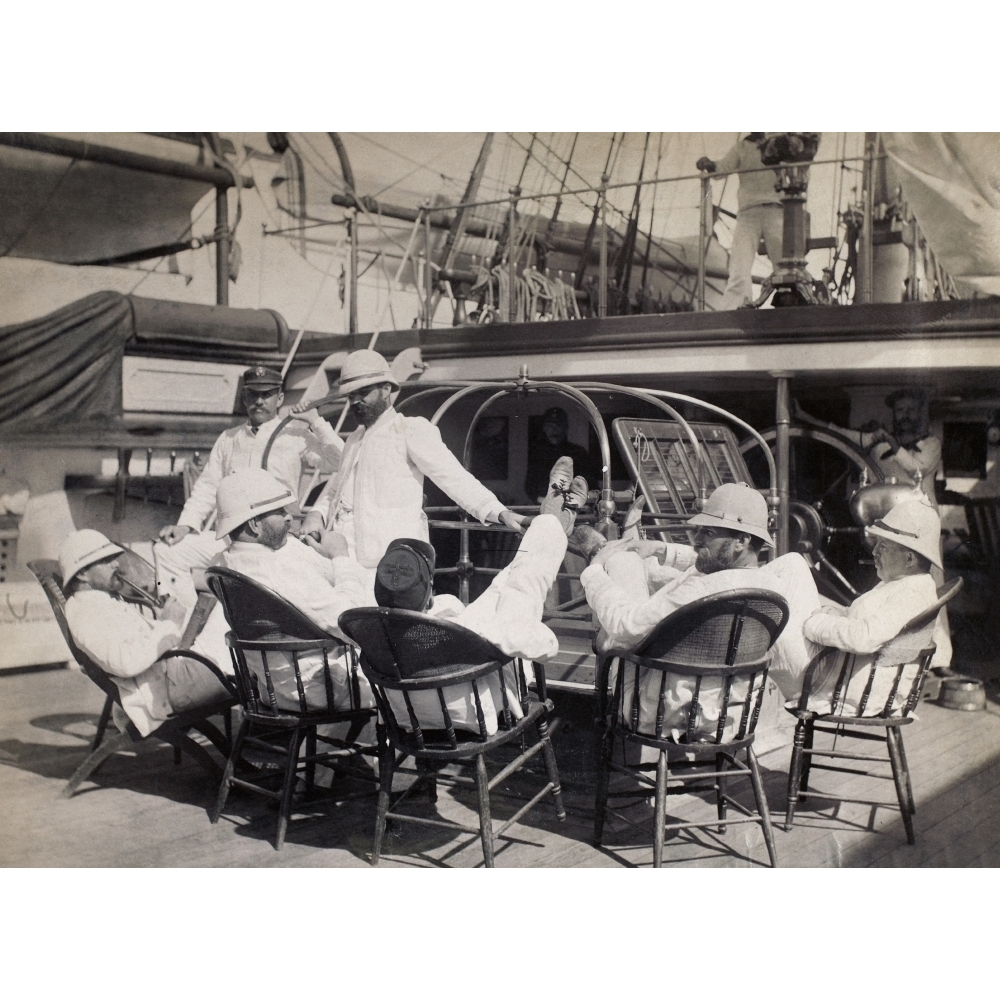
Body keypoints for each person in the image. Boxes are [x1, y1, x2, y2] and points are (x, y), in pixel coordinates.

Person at [576, 482, 821, 735]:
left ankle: (607, 553)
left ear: (741, 541)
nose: (696, 538)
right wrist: (662, 549)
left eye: (708, 532)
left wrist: (593, 571)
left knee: (623, 568)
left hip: (657, 713)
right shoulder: (775, 591)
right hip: (732, 717)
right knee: (674, 575)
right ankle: (634, 555)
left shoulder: (698, 590)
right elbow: (716, 567)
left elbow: (625, 625)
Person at [368, 461, 586, 736]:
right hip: (474, 709)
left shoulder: (369, 629)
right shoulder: (456, 629)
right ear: (428, 597)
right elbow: (543, 647)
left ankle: (554, 521)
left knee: (505, 584)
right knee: (522, 586)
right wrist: (541, 634)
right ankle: (557, 520)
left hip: (407, 717)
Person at [301, 349, 524, 581]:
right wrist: (317, 514)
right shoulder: (354, 440)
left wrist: (499, 512)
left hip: (391, 567)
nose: (356, 401)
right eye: (350, 396)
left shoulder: (409, 430)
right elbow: (339, 490)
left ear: (386, 389)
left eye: (363, 393)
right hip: (346, 562)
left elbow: (453, 478)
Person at [155, 364, 343, 608]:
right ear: (244, 398)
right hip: (232, 538)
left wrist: (315, 421)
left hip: (274, 540)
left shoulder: (296, 435)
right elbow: (208, 486)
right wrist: (186, 525)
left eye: (267, 395)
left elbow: (340, 460)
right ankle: (184, 622)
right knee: (167, 551)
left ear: (280, 398)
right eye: (253, 395)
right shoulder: (229, 438)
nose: (259, 401)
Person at [793, 386, 951, 668]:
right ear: (894, 414)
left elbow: (917, 469)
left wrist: (891, 442)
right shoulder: (877, 443)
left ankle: (938, 656)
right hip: (886, 527)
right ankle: (886, 649)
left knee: (931, 589)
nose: (905, 415)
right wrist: (808, 419)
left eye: (911, 410)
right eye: (900, 410)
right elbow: (843, 436)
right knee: (885, 590)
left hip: (922, 527)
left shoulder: (931, 444)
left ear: (920, 412)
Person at [212, 468, 373, 714]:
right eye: (280, 512)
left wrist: (316, 556)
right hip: (326, 691)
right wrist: (341, 557)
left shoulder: (225, 564)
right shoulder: (279, 567)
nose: (290, 517)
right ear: (254, 525)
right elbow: (353, 622)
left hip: (275, 692)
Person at [58, 529, 232, 737]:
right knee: (232, 604)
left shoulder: (102, 603)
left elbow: (138, 645)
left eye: (114, 558)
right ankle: (263, 710)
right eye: (106, 560)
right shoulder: (84, 613)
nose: (116, 564)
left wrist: (163, 622)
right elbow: (125, 662)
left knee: (228, 605)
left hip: (174, 677)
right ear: (82, 574)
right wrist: (168, 624)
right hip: (169, 692)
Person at [800, 499, 942, 714]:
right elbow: (862, 620)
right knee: (794, 571)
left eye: (883, 546)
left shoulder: (912, 595)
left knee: (792, 567)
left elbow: (863, 637)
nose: (874, 552)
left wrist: (814, 625)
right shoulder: (902, 584)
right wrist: (833, 613)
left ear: (909, 559)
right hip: (851, 678)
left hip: (853, 690)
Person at [697, 133, 784, 311]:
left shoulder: (780, 143)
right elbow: (722, 168)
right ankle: (737, 305)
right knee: (739, 264)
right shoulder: (742, 147)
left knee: (784, 264)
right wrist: (710, 165)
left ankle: (787, 300)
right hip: (748, 213)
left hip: (775, 210)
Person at [523, 406, 597, 504]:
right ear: (544, 427)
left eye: (559, 424)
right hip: (544, 507)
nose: (554, 429)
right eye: (550, 424)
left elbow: (590, 485)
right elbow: (530, 487)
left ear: (566, 427)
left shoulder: (579, 453)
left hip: (573, 507)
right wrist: (544, 502)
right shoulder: (538, 454)